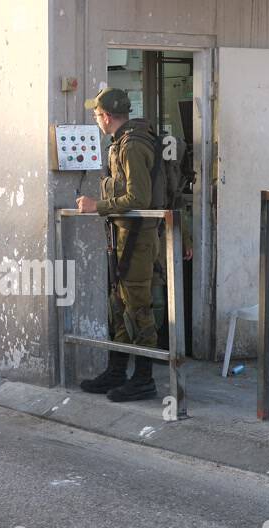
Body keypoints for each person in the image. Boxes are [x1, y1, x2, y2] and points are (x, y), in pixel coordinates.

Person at [76, 87, 160, 402]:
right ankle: (116, 369)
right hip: (124, 235)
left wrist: (95, 205)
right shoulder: (122, 142)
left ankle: (143, 379)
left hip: (136, 237)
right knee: (119, 305)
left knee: (137, 307)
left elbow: (139, 197)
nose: (97, 120)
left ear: (106, 116)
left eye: (97, 115)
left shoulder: (133, 145)